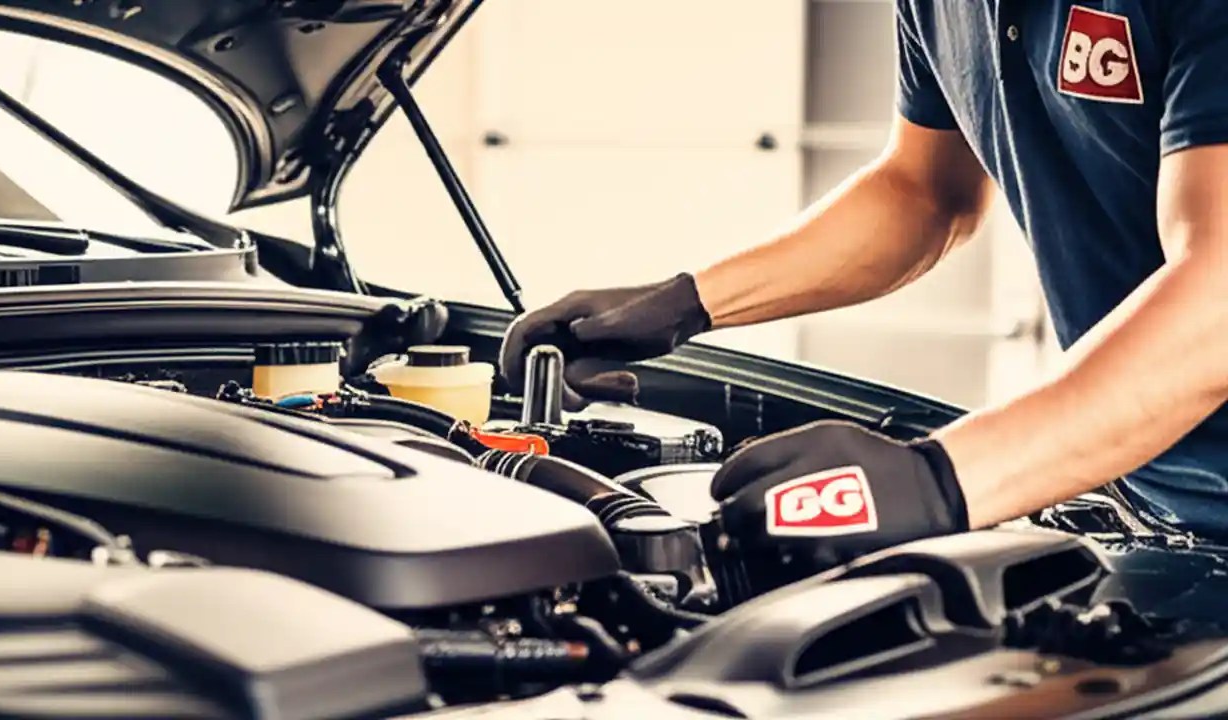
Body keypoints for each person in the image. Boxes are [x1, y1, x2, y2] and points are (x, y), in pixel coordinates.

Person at [498, 1, 1228, 571]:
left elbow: (1218, 295)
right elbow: (923, 193)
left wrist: (941, 481)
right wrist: (685, 302)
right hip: (1144, 495)